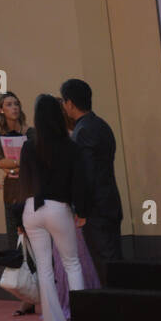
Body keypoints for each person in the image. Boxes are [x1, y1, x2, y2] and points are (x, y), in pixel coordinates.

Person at [17, 94, 90, 321]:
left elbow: (24, 184)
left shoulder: (28, 147)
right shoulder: (70, 146)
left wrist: (19, 218)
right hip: (58, 208)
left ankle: (52, 319)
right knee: (72, 263)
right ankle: (81, 319)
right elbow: (79, 182)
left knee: (44, 268)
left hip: (32, 208)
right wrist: (82, 211)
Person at [59, 78, 123, 287]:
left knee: (106, 266)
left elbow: (85, 175)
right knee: (113, 262)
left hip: (96, 210)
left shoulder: (82, 131)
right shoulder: (102, 125)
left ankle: (118, 311)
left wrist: (82, 211)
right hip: (110, 202)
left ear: (69, 103)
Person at [0, 90, 34, 243]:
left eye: (16, 104)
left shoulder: (31, 133)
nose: (14, 108)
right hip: (11, 191)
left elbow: (35, 160)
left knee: (34, 237)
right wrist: (20, 164)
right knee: (14, 240)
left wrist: (11, 167)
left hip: (30, 189)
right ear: (1, 110)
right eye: (9, 105)